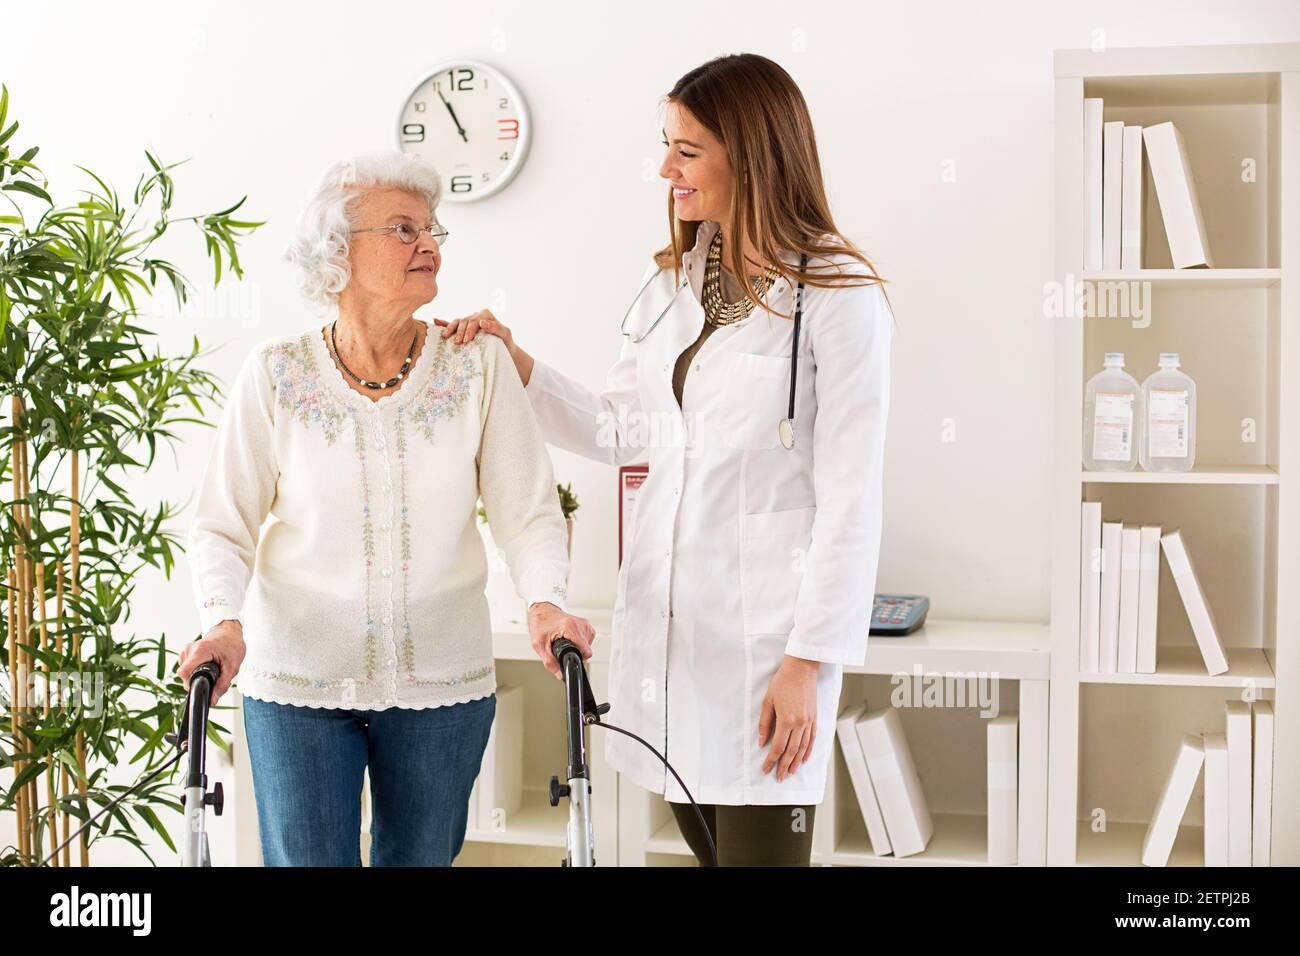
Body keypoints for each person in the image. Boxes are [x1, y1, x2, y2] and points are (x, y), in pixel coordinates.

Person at [440, 54, 893, 866]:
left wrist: (806, 662)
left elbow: (853, 498)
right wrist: (520, 365)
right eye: (666, 146)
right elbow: (626, 432)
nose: (664, 169)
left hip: (769, 651)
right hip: (673, 645)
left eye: (687, 151)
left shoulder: (837, 291)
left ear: (751, 155)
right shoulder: (676, 282)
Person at [180, 152, 595, 866]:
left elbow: (527, 512)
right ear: (337, 252)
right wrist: (222, 621)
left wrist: (547, 602)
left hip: (442, 686)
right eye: (403, 229)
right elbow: (223, 522)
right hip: (297, 687)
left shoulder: (478, 365)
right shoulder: (275, 375)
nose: (428, 243)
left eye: (432, 228)